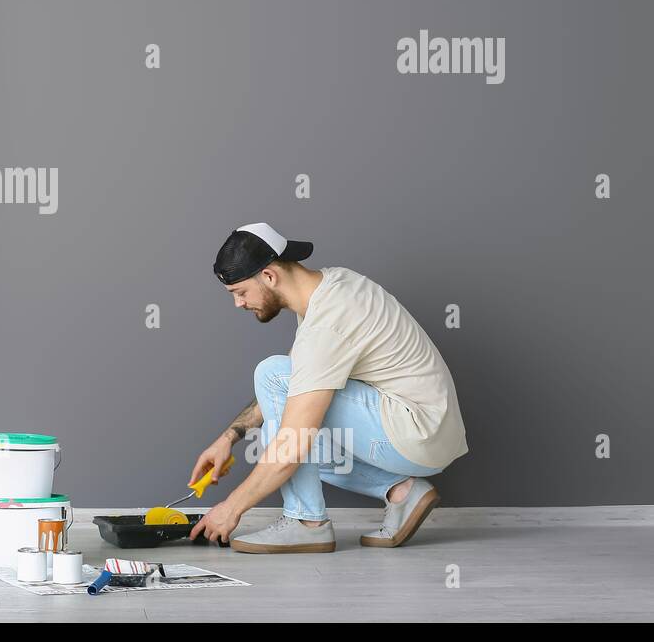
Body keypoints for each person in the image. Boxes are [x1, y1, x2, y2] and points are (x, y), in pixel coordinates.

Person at [188, 223, 468, 552]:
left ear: (268, 276)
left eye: (240, 292)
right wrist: (228, 439)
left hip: (416, 429)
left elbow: (290, 438)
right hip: (427, 434)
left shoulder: (326, 323)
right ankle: (402, 491)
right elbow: (293, 387)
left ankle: (306, 522)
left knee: (273, 381)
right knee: (286, 413)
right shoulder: (331, 287)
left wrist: (230, 509)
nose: (238, 304)